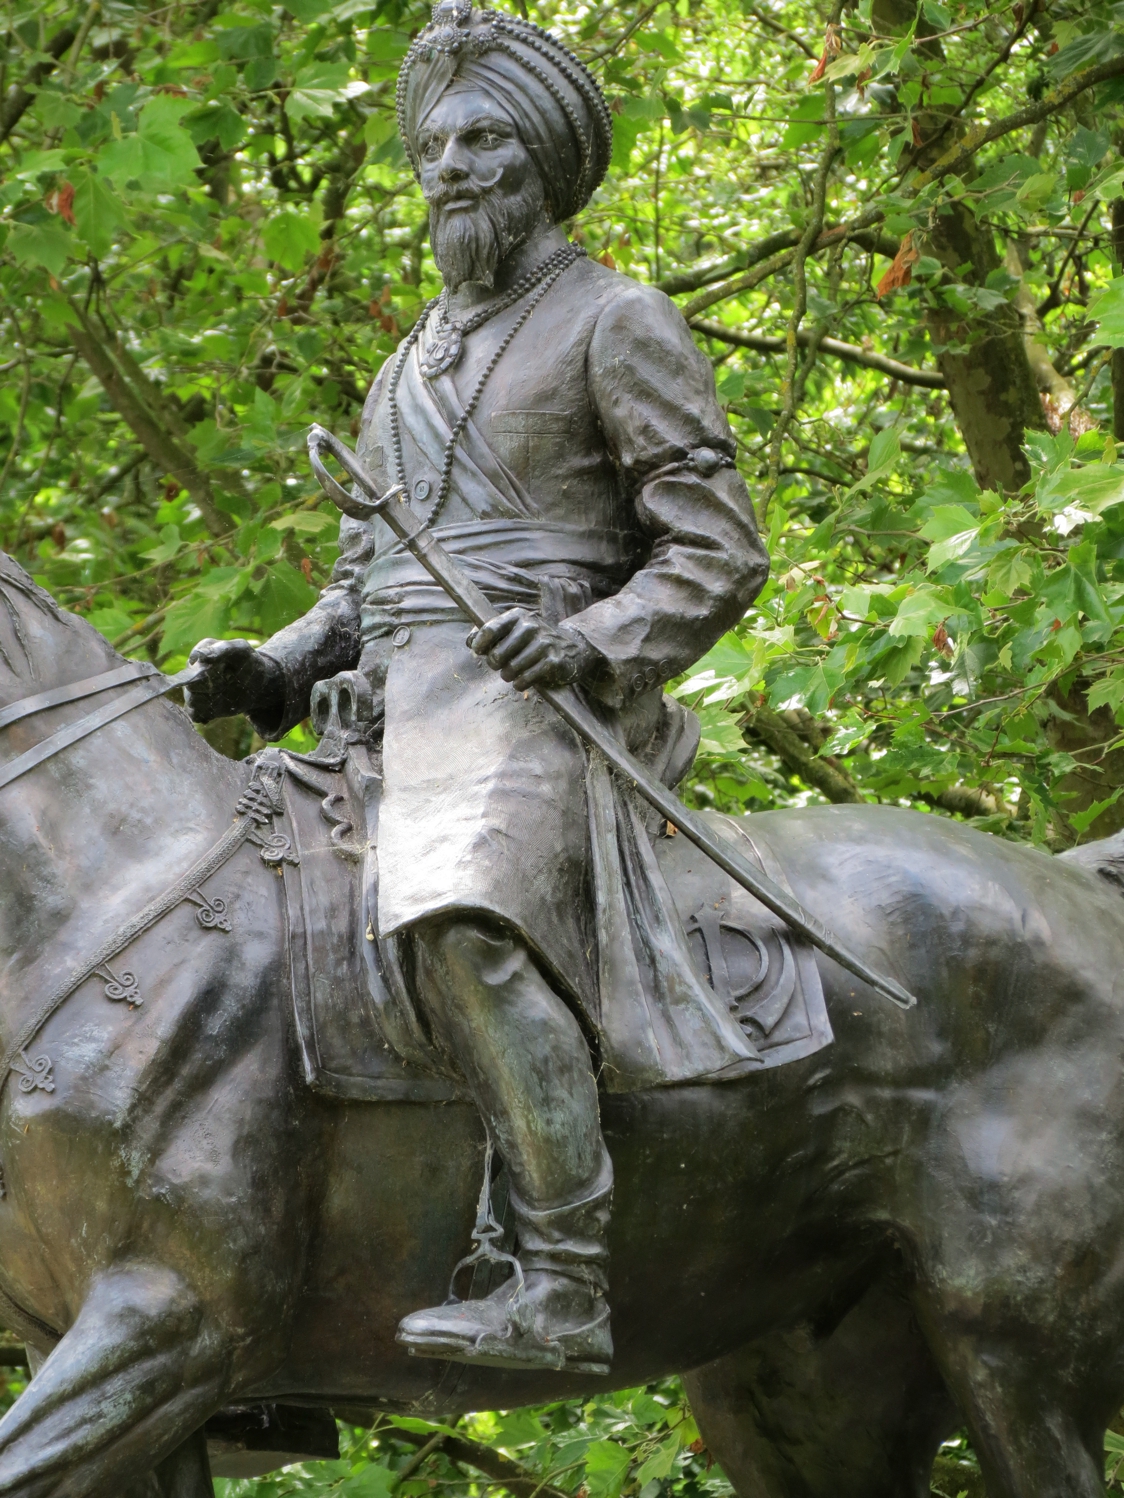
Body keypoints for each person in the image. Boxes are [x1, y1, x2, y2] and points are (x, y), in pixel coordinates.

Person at [186, 1, 769, 1376]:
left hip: (538, 712)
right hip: (384, 714)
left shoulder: (615, 322)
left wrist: (593, 639)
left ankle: (561, 1273)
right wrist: (271, 662)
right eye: (433, 144)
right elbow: (365, 589)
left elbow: (719, 548)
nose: (447, 165)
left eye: (482, 138)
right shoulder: (403, 370)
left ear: (542, 163)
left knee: (458, 919)